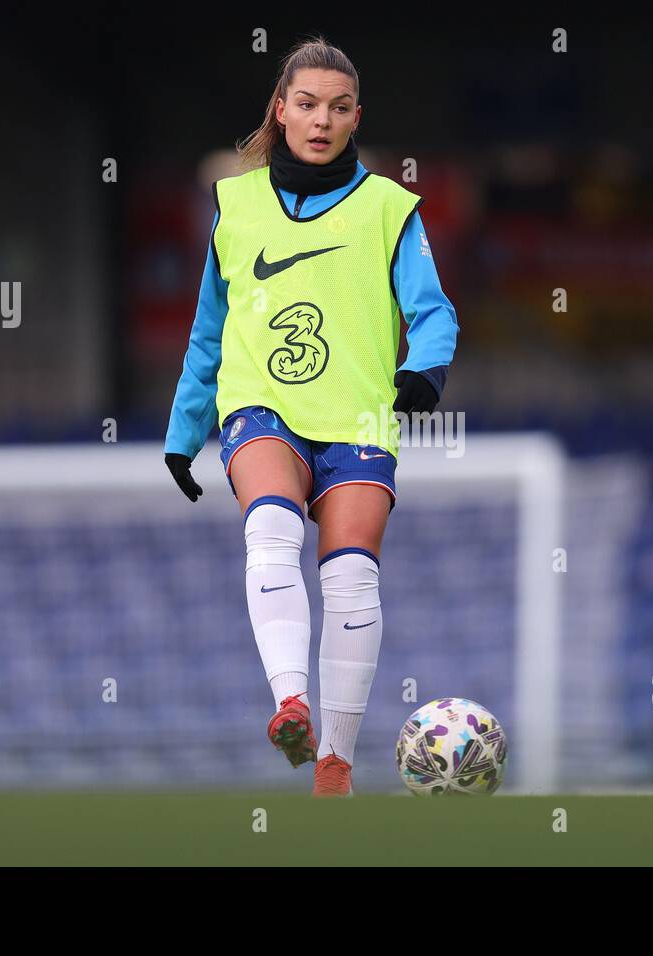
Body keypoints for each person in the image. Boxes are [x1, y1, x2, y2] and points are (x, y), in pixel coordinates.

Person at [162, 37, 459, 796]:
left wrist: (423, 371)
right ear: (280, 110)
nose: (320, 120)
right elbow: (207, 330)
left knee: (352, 578)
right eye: (305, 104)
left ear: (356, 118)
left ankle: (334, 759)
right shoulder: (236, 204)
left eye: (336, 108)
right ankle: (288, 699)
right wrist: (182, 433)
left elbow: (432, 313)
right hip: (261, 404)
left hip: (358, 418)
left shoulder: (391, 210)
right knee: (271, 524)